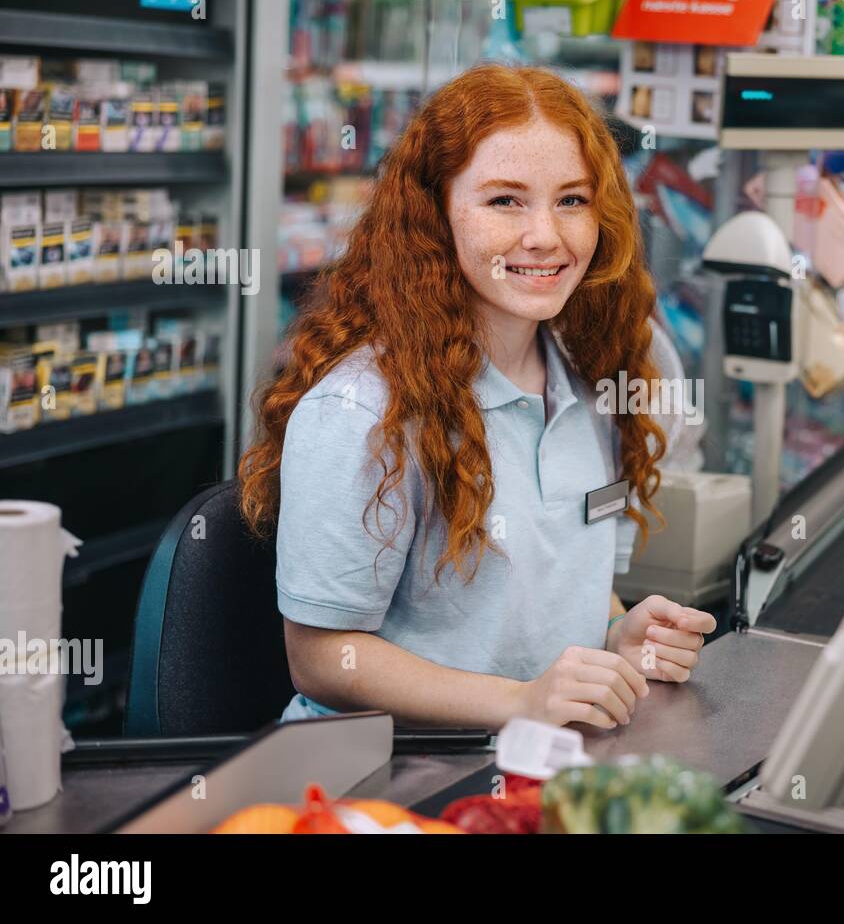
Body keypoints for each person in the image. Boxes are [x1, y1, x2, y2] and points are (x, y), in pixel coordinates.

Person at [238, 64, 716, 731]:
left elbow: (558, 586)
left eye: (572, 200)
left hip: (532, 763)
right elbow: (320, 658)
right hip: (386, 777)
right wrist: (518, 702)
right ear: (436, 216)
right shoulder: (361, 410)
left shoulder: (596, 379)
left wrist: (617, 633)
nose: (546, 235)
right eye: (505, 201)